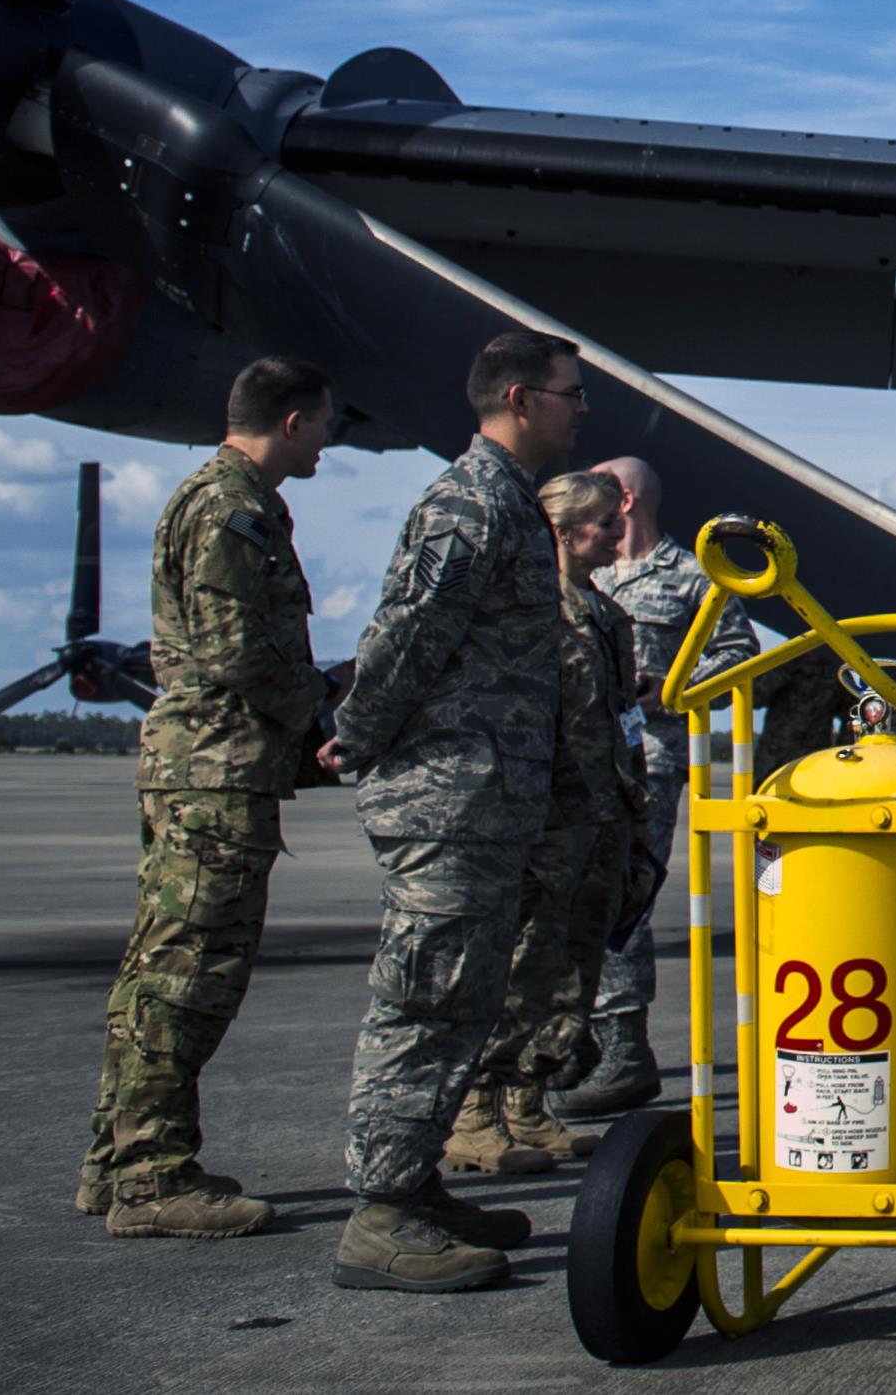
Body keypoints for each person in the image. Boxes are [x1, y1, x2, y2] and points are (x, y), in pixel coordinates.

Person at [325, 329, 588, 1293]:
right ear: (519, 398)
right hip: (447, 794)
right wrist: (357, 731)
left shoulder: (511, 500)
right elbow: (406, 632)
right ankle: (379, 1214)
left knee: (467, 995)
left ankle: (414, 1184)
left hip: (488, 795)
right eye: (570, 392)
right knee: (425, 994)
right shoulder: (468, 501)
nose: (581, 409)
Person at [77, 356, 343, 1238]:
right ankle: (152, 1178)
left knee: (160, 965)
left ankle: (117, 1160)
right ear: (293, 421)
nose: (330, 440)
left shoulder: (230, 499)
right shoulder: (230, 506)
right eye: (326, 423)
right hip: (216, 771)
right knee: (191, 972)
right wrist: (321, 707)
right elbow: (235, 650)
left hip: (206, 765)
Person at [447, 470, 657, 1175]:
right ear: (562, 532)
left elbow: (623, 723)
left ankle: (528, 1103)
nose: (617, 534)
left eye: (616, 521)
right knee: (519, 965)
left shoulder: (608, 617)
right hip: (543, 817)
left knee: (573, 969)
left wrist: (634, 812)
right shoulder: (527, 610)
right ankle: (476, 1114)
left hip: (600, 816)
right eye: (603, 523)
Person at [557, 455, 752, 1119]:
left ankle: (624, 1048)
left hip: (651, 758)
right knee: (571, 896)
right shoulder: (582, 565)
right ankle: (572, 1037)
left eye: (602, 482)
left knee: (623, 896)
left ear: (627, 498)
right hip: (578, 756)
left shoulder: (691, 576)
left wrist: (672, 688)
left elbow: (738, 654)